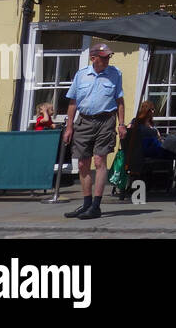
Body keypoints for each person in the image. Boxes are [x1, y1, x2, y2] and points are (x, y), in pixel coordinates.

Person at [62, 42, 126, 221]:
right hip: (84, 120)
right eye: (103, 57)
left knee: (99, 160)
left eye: (108, 57)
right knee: (83, 163)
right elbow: (73, 102)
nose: (107, 60)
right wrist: (69, 127)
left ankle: (96, 206)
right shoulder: (81, 75)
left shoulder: (115, 74)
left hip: (106, 120)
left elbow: (120, 101)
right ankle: (86, 203)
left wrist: (121, 124)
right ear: (93, 58)